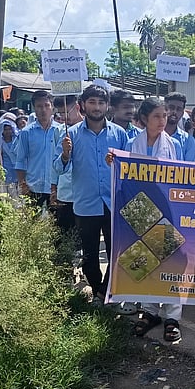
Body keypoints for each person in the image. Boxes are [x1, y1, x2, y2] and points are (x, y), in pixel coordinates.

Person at [55, 85, 128, 306]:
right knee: (89, 256)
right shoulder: (71, 134)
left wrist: (117, 165)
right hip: (85, 204)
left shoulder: (119, 133)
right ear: (83, 105)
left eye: (101, 103)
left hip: (112, 203)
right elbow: (59, 169)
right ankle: (97, 289)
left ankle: (105, 292)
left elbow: (129, 169)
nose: (97, 107)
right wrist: (66, 154)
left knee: (116, 252)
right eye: (92, 102)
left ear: (107, 106)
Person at [124, 97, 184, 341]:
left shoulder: (175, 144)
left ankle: (172, 317)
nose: (163, 120)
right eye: (157, 116)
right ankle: (149, 311)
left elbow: (182, 178)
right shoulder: (130, 143)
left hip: (167, 209)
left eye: (165, 116)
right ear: (144, 120)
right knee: (145, 259)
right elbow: (124, 177)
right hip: (140, 210)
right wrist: (113, 163)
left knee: (171, 263)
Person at [15, 90, 60, 206]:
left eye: (46, 105)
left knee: (56, 223)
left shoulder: (61, 131)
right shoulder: (26, 132)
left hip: (56, 188)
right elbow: (20, 160)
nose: (43, 110)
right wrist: (22, 184)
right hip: (33, 187)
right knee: (32, 222)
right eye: (39, 106)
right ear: (34, 108)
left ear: (52, 107)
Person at [51, 94, 85, 242]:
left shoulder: (89, 128)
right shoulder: (59, 131)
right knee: (64, 237)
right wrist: (53, 187)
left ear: (77, 107)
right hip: (65, 192)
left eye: (66, 112)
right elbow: (54, 162)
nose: (63, 117)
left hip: (85, 194)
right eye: (60, 113)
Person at [164, 92, 195, 162]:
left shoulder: (188, 141)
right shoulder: (153, 135)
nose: (174, 112)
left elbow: (189, 169)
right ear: (164, 109)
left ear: (182, 113)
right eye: (171, 107)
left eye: (178, 109)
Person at [0, 113, 19, 195]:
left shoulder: (16, 140)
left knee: (17, 186)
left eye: (9, 129)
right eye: (5, 129)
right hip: (6, 167)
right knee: (7, 186)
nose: (7, 131)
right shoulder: (1, 142)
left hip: (16, 166)